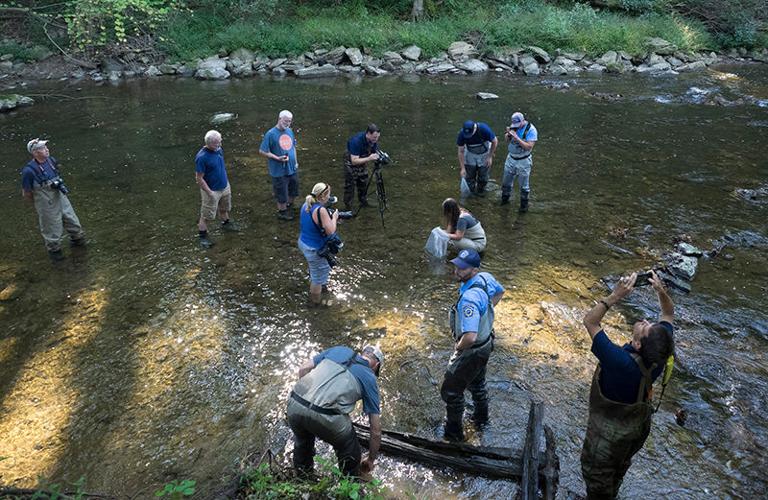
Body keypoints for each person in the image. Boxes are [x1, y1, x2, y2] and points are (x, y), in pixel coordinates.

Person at [581, 271, 675, 499]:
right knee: (619, 467)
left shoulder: (619, 361)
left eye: (645, 327)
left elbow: (589, 321)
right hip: (635, 431)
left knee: (597, 474)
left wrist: (615, 296)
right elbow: (668, 313)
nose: (645, 321)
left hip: (607, 437)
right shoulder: (660, 353)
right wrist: (661, 291)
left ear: (636, 344)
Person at [287, 344, 383, 477]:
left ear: (362, 353)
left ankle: (302, 478)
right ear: (376, 365)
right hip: (325, 416)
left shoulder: (339, 350)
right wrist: (371, 459)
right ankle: (348, 486)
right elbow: (376, 429)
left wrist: (307, 398)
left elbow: (303, 368)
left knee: (303, 441)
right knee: (350, 449)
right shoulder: (369, 377)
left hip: (295, 402)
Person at [441, 249, 505, 441]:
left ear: (474, 270)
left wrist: (458, 348)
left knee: (450, 391)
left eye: (462, 267)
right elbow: (500, 292)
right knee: (477, 384)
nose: (457, 270)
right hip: (486, 343)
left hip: (472, 349)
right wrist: (487, 309)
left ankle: (453, 435)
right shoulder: (486, 278)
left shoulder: (469, 298)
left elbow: (469, 337)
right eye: (456, 265)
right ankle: (481, 420)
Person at [21, 138, 86, 261]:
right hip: (45, 203)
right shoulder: (28, 171)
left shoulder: (51, 161)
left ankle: (78, 245)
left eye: (46, 147)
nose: (47, 149)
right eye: (42, 148)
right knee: (52, 230)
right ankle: (56, 255)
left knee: (73, 222)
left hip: (60, 196)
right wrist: (36, 205)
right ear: (35, 153)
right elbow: (26, 192)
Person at [298, 182, 339, 306]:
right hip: (315, 248)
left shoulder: (306, 204)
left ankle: (318, 284)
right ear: (323, 196)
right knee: (318, 279)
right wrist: (335, 218)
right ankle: (314, 303)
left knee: (315, 270)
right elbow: (331, 231)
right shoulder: (321, 210)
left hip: (304, 242)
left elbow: (313, 224)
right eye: (328, 195)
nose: (329, 197)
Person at [195, 130, 236, 248]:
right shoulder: (201, 157)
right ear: (209, 143)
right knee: (206, 216)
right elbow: (199, 178)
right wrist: (209, 192)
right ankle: (202, 238)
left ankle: (226, 224)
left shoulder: (218, 150)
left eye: (220, 141)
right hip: (212, 190)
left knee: (224, 208)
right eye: (217, 143)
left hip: (224, 186)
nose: (220, 144)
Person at [259, 110, 299, 220]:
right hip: (278, 171)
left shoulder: (290, 131)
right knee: (281, 194)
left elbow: (293, 147)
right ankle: (282, 212)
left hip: (292, 168)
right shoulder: (271, 134)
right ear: (279, 119)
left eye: (290, 121)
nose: (287, 123)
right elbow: (262, 151)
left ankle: (289, 206)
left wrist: (295, 162)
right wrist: (277, 158)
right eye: (285, 121)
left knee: (293, 190)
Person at [501, 112, 538, 212]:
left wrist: (517, 137)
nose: (516, 127)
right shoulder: (514, 127)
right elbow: (506, 140)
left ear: (523, 121)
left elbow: (529, 147)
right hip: (511, 158)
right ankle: (504, 201)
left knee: (524, 187)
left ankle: (523, 207)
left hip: (524, 161)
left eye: (518, 125)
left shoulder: (531, 130)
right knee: (506, 183)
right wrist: (508, 135)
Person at [343, 124, 382, 211]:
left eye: (377, 137)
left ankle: (363, 202)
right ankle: (348, 208)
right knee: (350, 186)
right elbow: (354, 161)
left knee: (363, 182)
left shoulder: (373, 141)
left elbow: (375, 151)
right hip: (351, 162)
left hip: (362, 160)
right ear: (368, 133)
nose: (376, 139)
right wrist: (369, 158)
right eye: (374, 137)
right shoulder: (356, 141)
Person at [457, 120, 498, 195]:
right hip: (470, 153)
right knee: (469, 176)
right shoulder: (462, 134)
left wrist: (490, 156)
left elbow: (495, 141)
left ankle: (481, 193)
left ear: (474, 129)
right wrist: (462, 168)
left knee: (483, 177)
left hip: (484, 153)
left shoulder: (484, 129)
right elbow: (461, 151)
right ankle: (471, 194)